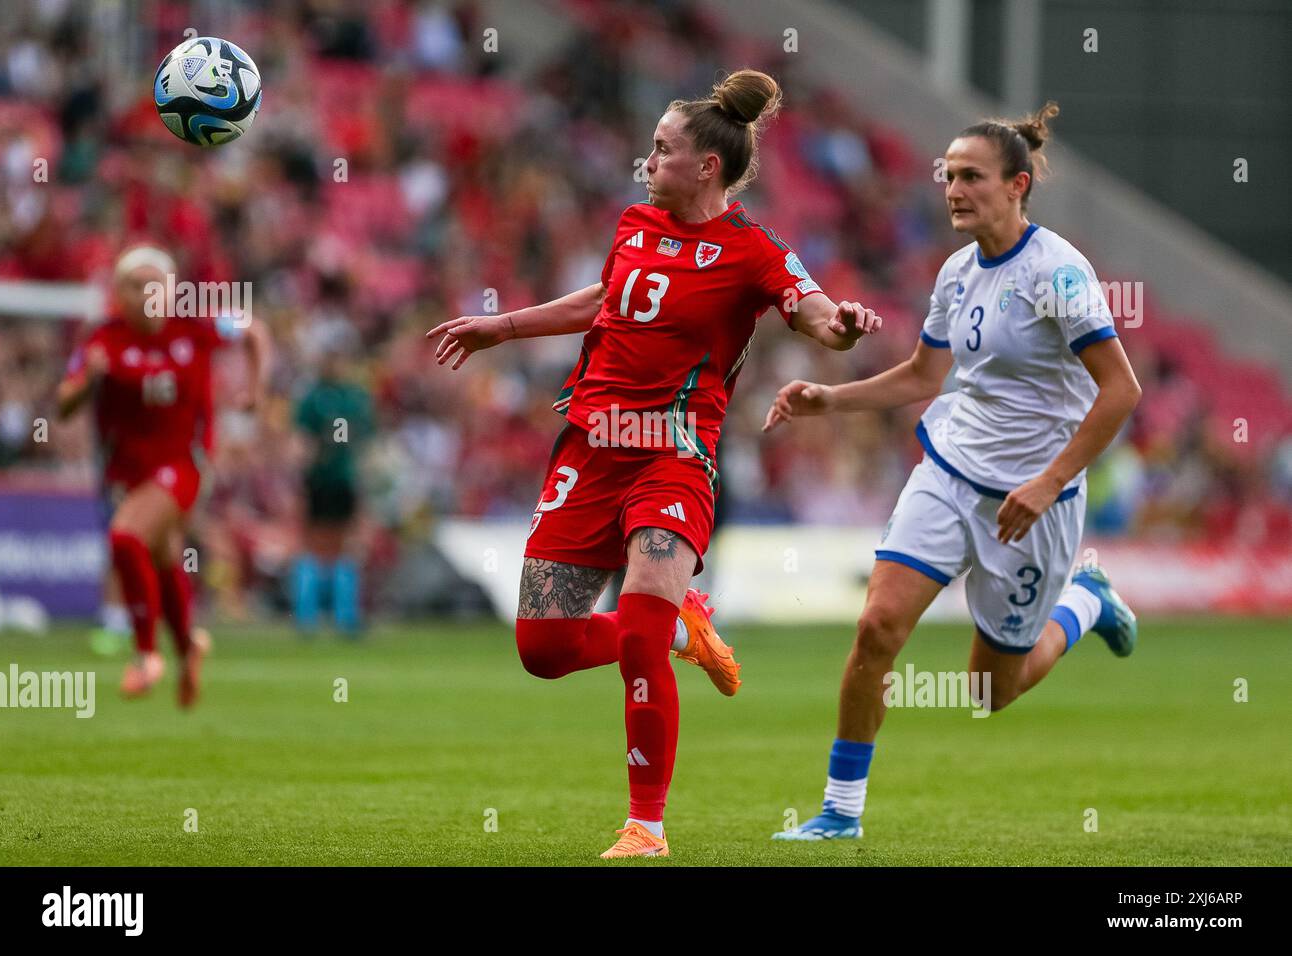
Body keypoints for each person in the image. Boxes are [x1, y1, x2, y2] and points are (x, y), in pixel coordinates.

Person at [427, 69, 882, 858]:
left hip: (674, 456)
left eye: (662, 149)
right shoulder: (635, 222)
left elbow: (814, 315)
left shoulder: (752, 250)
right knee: (543, 650)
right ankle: (683, 630)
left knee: (638, 624)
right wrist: (502, 328)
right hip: (589, 449)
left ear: (706, 167)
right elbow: (604, 300)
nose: (648, 160)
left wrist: (843, 324)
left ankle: (646, 824)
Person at [764, 102, 1142, 841]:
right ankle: (841, 812)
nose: (953, 188)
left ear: (1017, 186)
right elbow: (921, 376)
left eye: (971, 176)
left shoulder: (1059, 274)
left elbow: (1121, 389)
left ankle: (1086, 603)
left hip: (1036, 501)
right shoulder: (956, 271)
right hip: (950, 471)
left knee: (986, 693)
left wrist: (1047, 481)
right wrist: (828, 399)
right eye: (948, 175)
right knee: (876, 626)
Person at [58, 245, 269, 707]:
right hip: (128, 473)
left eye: (155, 284)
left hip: (184, 464)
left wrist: (255, 392)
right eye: (135, 285)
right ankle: (188, 644)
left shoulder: (196, 327)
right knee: (163, 557)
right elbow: (63, 403)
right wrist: (85, 382)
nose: (146, 294)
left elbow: (255, 330)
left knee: (124, 537)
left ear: (172, 290)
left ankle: (146, 653)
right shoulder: (103, 341)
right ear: (119, 292)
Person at [291, 327, 376, 635]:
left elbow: (364, 443)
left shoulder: (353, 396)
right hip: (321, 479)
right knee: (315, 541)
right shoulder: (315, 396)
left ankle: (342, 616)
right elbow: (302, 442)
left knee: (345, 543)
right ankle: (309, 616)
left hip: (344, 478)